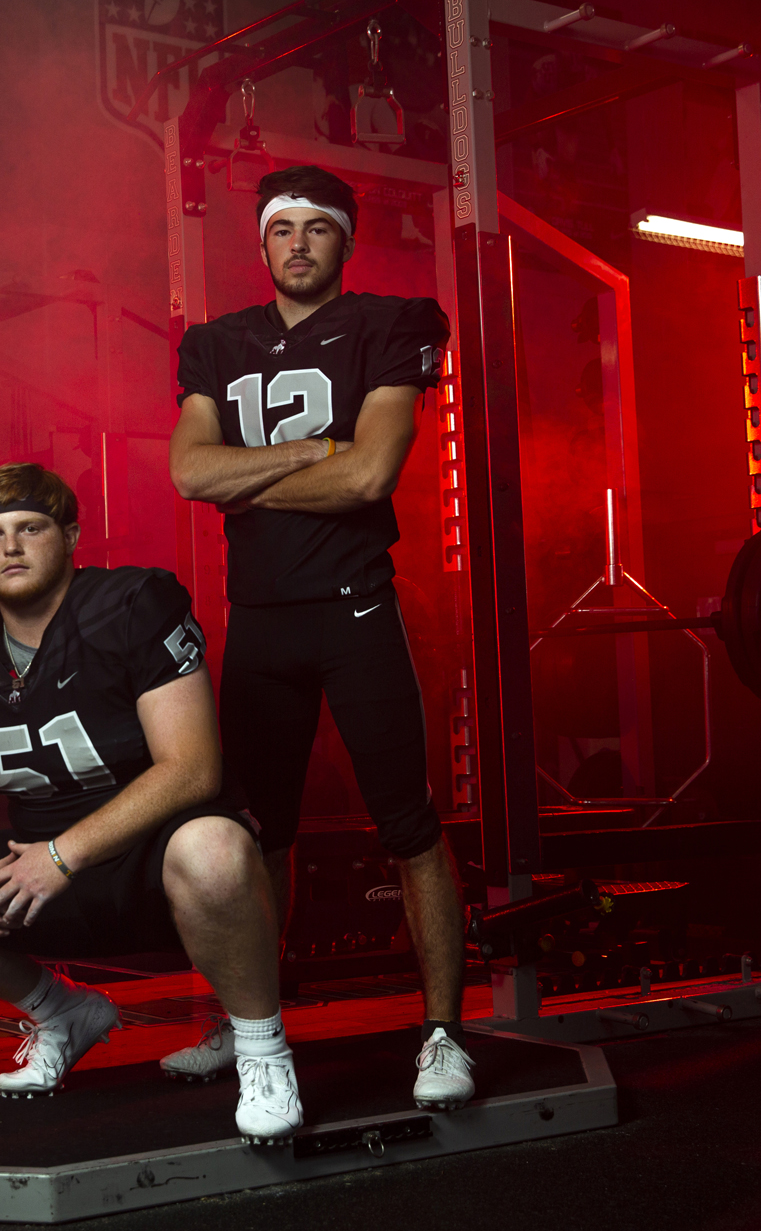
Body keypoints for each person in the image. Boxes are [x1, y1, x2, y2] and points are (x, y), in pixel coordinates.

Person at [0, 464, 302, 1145]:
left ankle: (263, 1052)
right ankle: (62, 1012)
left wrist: (62, 858)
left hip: (148, 859)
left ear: (70, 535)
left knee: (214, 847)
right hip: (42, 868)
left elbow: (191, 769)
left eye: (30, 528)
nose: (10, 546)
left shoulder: (132, 603)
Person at [164, 164, 474, 1111]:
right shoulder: (217, 344)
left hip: (356, 611)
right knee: (260, 833)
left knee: (408, 824)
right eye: (281, 228)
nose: (297, 242)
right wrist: (311, 451)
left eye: (317, 228)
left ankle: (442, 1035)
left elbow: (371, 475)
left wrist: (247, 474)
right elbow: (187, 472)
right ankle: (248, 1023)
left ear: (344, 242)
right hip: (259, 621)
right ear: (262, 244)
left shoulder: (385, 324)